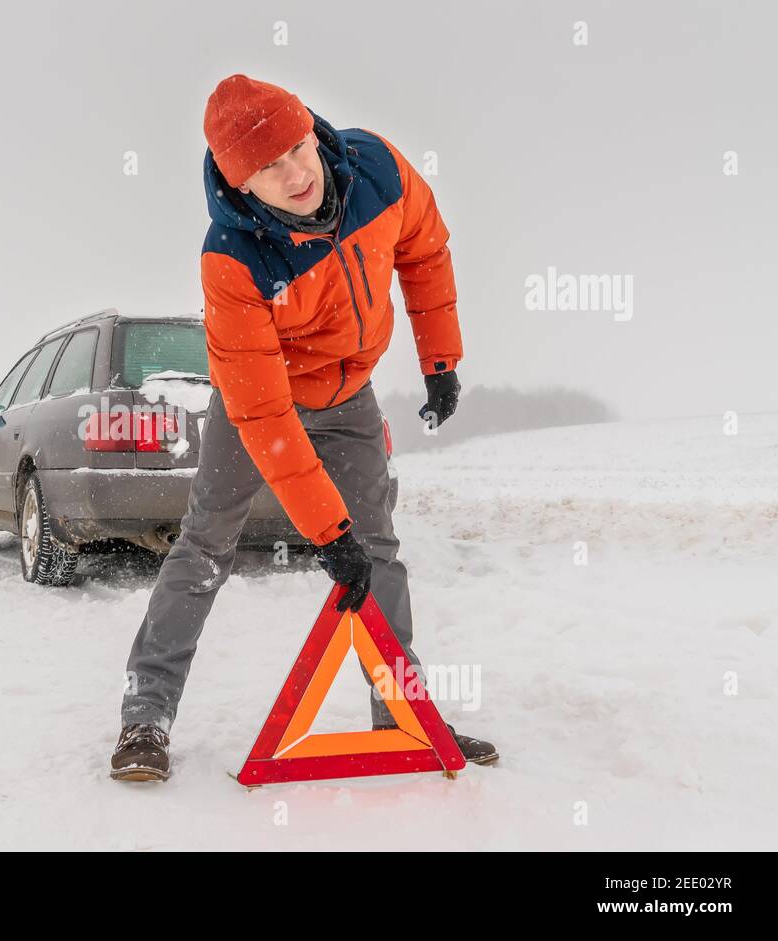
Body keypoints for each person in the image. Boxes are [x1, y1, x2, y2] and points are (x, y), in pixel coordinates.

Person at [111, 74, 498, 782]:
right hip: (259, 403)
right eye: (266, 167)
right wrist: (327, 533)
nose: (293, 174)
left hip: (349, 393)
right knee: (204, 545)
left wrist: (440, 357)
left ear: (310, 131)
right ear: (240, 180)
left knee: (378, 551)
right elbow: (262, 411)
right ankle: (147, 714)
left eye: (294, 149)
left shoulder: (376, 168)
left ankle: (404, 718)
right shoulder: (233, 259)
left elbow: (424, 248)